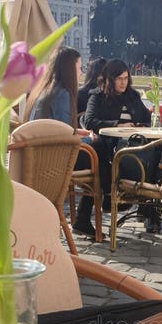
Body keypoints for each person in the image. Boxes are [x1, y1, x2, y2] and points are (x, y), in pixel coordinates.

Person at [25, 46, 101, 238]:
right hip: (53, 160)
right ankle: (87, 215)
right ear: (69, 69)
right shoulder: (62, 94)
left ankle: (85, 217)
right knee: (99, 153)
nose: (81, 72)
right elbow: (65, 137)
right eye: (79, 67)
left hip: (36, 154)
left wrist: (80, 133)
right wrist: (87, 138)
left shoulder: (45, 89)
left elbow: (59, 127)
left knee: (94, 149)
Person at [85, 59, 162, 230]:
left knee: (159, 151)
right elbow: (89, 120)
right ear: (109, 79)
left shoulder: (132, 96)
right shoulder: (98, 96)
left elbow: (146, 118)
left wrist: (143, 124)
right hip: (111, 146)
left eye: (126, 78)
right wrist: (117, 125)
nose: (123, 82)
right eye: (119, 78)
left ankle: (151, 209)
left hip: (135, 142)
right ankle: (120, 197)